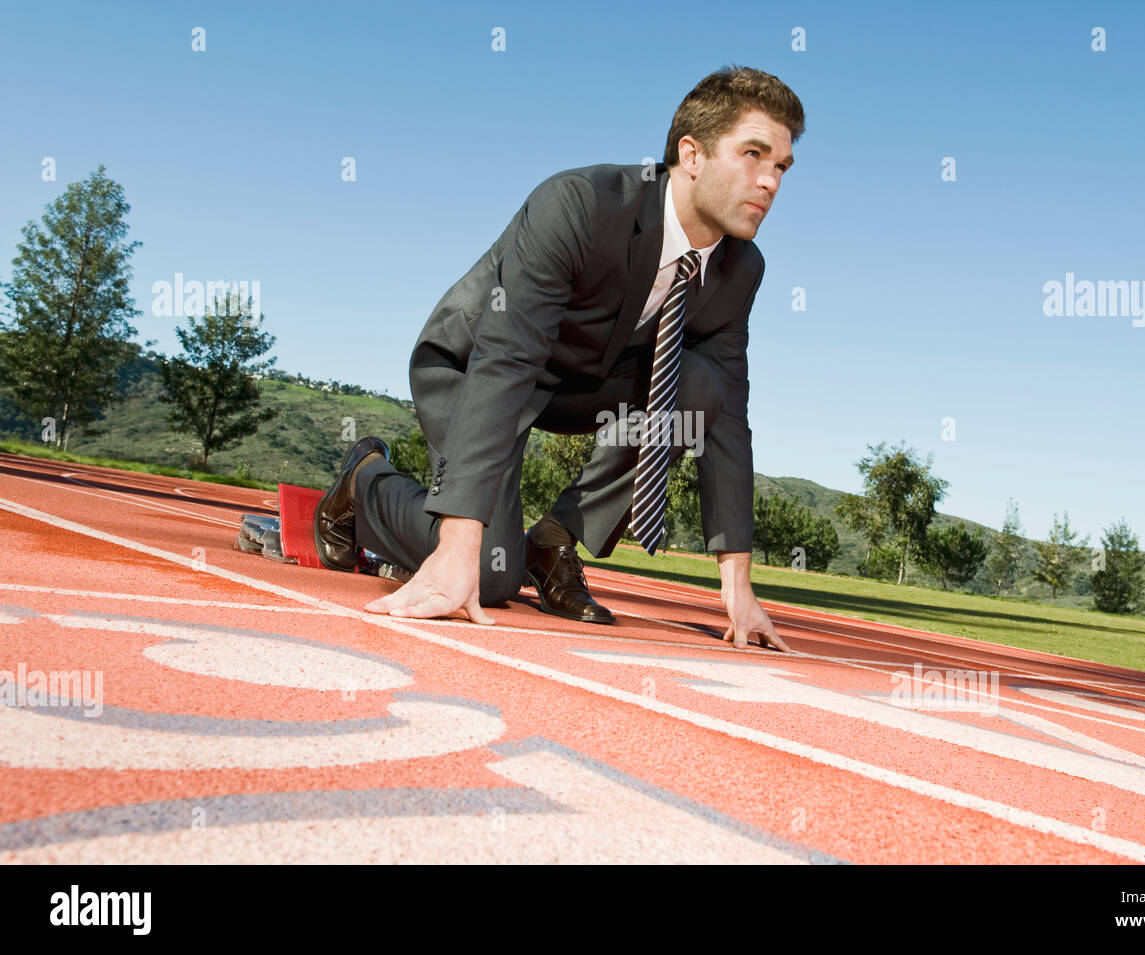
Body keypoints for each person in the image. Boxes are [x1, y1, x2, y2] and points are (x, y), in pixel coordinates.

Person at [314, 65, 804, 651]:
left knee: (702, 387)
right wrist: (460, 546)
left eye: (781, 166)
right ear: (691, 154)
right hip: (478, 367)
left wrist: (738, 587)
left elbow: (725, 420)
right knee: (489, 574)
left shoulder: (740, 268)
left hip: (585, 382)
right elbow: (507, 360)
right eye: (753, 154)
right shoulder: (578, 204)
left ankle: (556, 539)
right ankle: (363, 482)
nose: (770, 181)